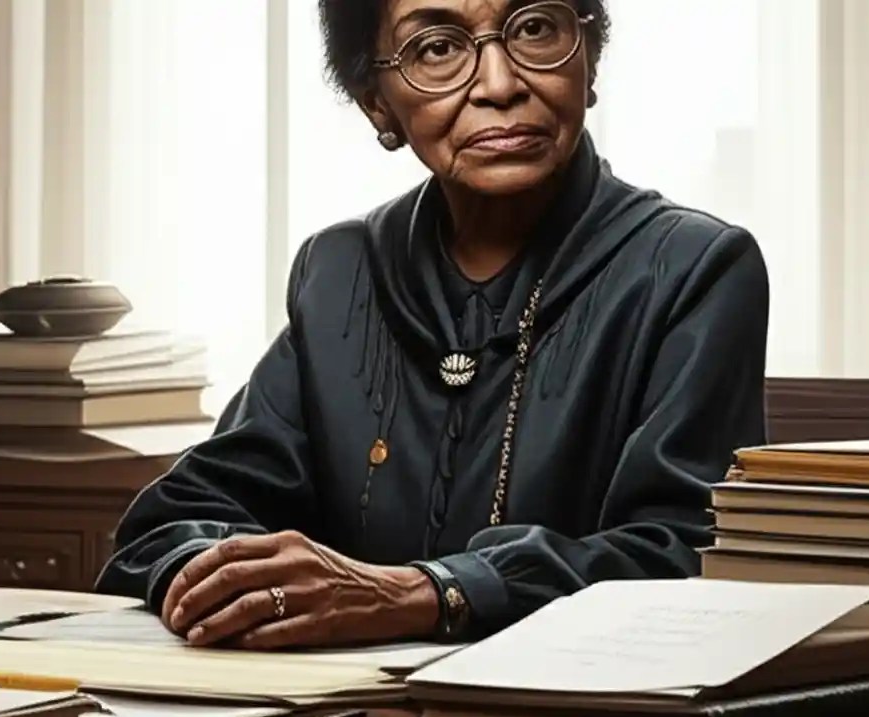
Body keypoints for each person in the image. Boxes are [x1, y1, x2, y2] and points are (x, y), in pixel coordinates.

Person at [96, 0, 769, 650]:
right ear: (376, 103)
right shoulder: (340, 273)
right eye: (438, 47)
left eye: (535, 28)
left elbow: (688, 553)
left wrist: (429, 594)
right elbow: (176, 520)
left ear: (589, 58)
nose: (500, 85)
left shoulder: (692, 269)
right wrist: (234, 587)